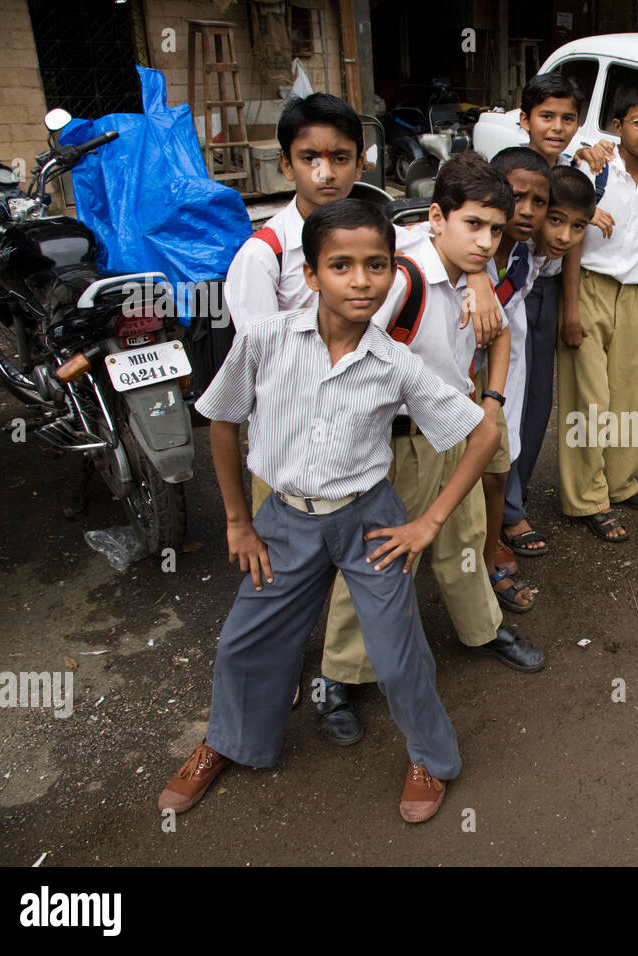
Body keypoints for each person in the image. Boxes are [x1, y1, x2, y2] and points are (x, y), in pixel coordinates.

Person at [157, 199, 497, 824]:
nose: (361, 280)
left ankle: (431, 758)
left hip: (369, 520)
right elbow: (224, 422)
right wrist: (238, 521)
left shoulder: (395, 362)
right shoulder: (263, 340)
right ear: (311, 275)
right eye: (341, 265)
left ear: (394, 273)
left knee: (397, 655)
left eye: (376, 265)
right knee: (244, 641)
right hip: (284, 521)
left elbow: (480, 435)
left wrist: (429, 522)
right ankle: (224, 743)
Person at [221, 92, 503, 743]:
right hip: (291, 441)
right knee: (283, 573)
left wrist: (481, 277)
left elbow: (447, 243)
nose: (326, 172)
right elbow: (265, 364)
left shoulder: (379, 227)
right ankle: (295, 681)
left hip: (367, 440)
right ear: (285, 162)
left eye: (340, 157)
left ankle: (355, 674)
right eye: (309, 158)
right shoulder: (262, 256)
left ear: (361, 159)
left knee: (370, 560)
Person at [320, 152, 548, 678]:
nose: (486, 242)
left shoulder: (475, 266)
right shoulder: (400, 279)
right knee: (381, 557)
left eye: (495, 229)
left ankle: (481, 629)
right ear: (437, 219)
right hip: (398, 442)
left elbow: (499, 334)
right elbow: (342, 351)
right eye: (473, 225)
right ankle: (340, 674)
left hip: (456, 426)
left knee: (464, 541)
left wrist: (490, 402)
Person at [556, 80, 638, 543]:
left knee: (628, 397)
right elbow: (569, 241)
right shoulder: (595, 171)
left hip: (629, 296)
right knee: (589, 402)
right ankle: (587, 497)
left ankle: (621, 483)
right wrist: (570, 308)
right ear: (617, 126)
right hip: (586, 287)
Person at [502, 75, 586, 558]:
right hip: (506, 287)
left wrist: (571, 307)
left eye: (568, 118)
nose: (557, 127)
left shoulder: (576, 172)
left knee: (536, 402)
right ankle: (506, 510)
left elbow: (573, 245)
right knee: (503, 397)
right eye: (546, 116)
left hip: (546, 289)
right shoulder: (513, 173)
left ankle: (516, 495)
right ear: (525, 119)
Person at [478, 146, 552, 614]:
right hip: (468, 377)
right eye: (516, 196)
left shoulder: (525, 255)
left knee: (499, 460)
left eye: (538, 201)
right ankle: (480, 554)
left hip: (505, 372)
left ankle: (489, 541)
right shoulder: (471, 255)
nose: (526, 210)